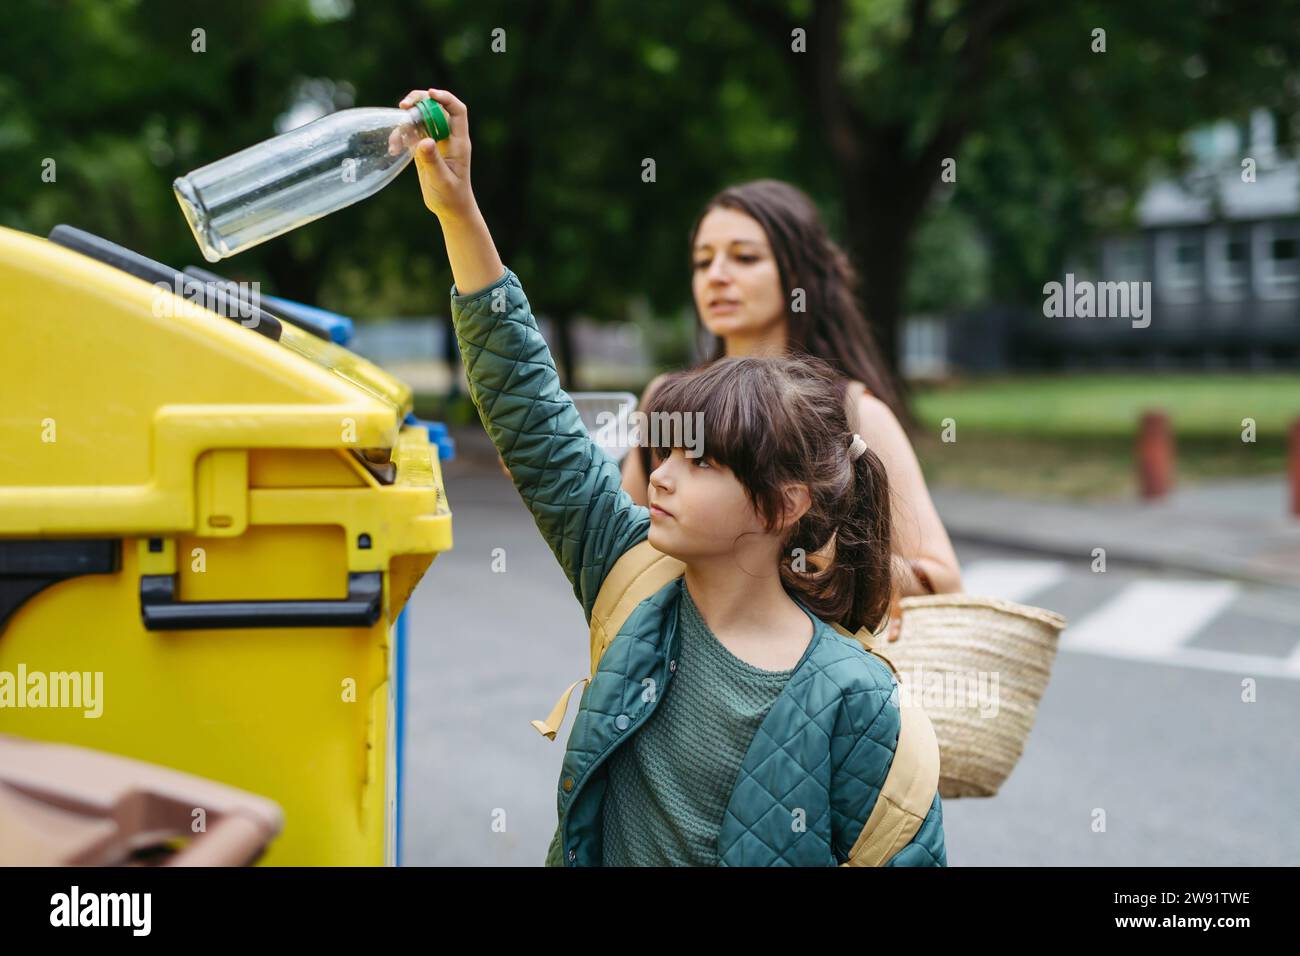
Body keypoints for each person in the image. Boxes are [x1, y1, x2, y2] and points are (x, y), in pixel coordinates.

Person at [401, 86, 945, 867]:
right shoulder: (629, 579)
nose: (659, 476)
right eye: (663, 452)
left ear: (785, 503)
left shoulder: (860, 703)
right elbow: (529, 407)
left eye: (700, 463)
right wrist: (459, 210)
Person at [620, 181, 962, 635]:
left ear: (799, 272)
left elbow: (942, 581)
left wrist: (813, 558)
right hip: (675, 660)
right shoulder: (666, 396)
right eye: (703, 261)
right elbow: (623, 541)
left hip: (807, 684)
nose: (717, 275)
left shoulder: (853, 410)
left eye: (744, 257)